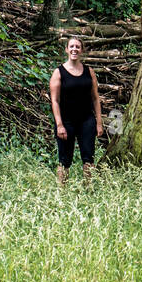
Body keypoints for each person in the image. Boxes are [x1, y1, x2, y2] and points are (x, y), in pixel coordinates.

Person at [48, 36, 103, 184]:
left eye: (77, 47)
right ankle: (62, 193)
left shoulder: (89, 71)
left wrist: (99, 123)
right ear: (66, 49)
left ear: (82, 50)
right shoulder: (58, 72)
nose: (74, 49)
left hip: (87, 120)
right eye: (71, 46)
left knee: (88, 158)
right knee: (65, 160)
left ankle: (89, 191)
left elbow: (96, 98)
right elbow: (55, 101)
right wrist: (59, 124)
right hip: (66, 121)